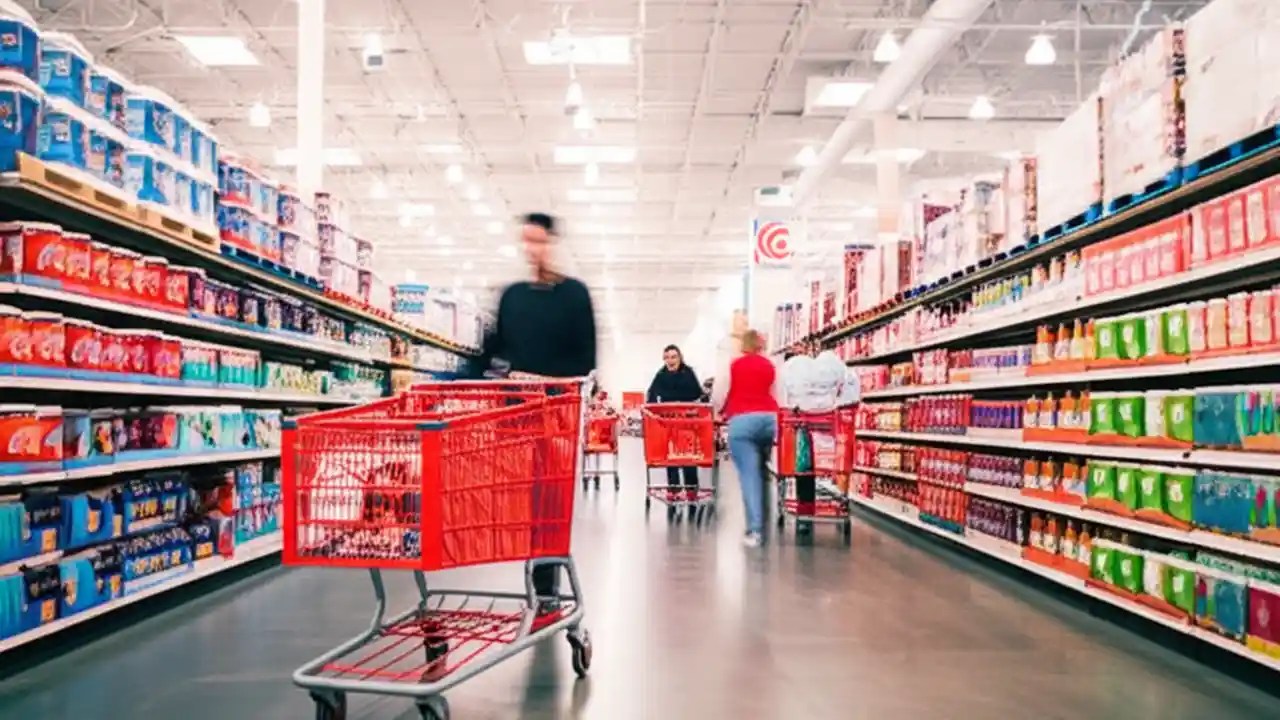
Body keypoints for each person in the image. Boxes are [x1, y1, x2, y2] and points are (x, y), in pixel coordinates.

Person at [468, 211, 597, 612]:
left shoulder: (575, 294)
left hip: (558, 408)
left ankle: (546, 588)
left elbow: (588, 354)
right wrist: (454, 386)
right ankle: (541, 581)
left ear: (553, 243)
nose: (532, 248)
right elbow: (489, 351)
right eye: (526, 240)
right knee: (527, 500)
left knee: (550, 500)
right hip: (518, 412)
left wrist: (563, 385)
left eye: (539, 240)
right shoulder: (512, 296)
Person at [713, 329, 779, 548]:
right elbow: (778, 393)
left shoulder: (733, 365)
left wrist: (717, 411)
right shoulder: (770, 365)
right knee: (766, 470)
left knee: (749, 475)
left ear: (743, 345)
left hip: (742, 421)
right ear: (761, 345)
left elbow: (719, 393)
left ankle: (755, 531)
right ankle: (770, 516)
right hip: (770, 420)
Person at [646, 344, 703, 498]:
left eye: (673, 357)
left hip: (686, 421)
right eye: (667, 358)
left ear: (679, 358)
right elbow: (651, 395)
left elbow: (698, 393)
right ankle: (673, 488)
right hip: (668, 421)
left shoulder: (688, 373)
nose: (670, 360)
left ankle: (691, 488)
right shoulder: (661, 375)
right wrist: (653, 411)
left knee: (687, 454)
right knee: (670, 455)